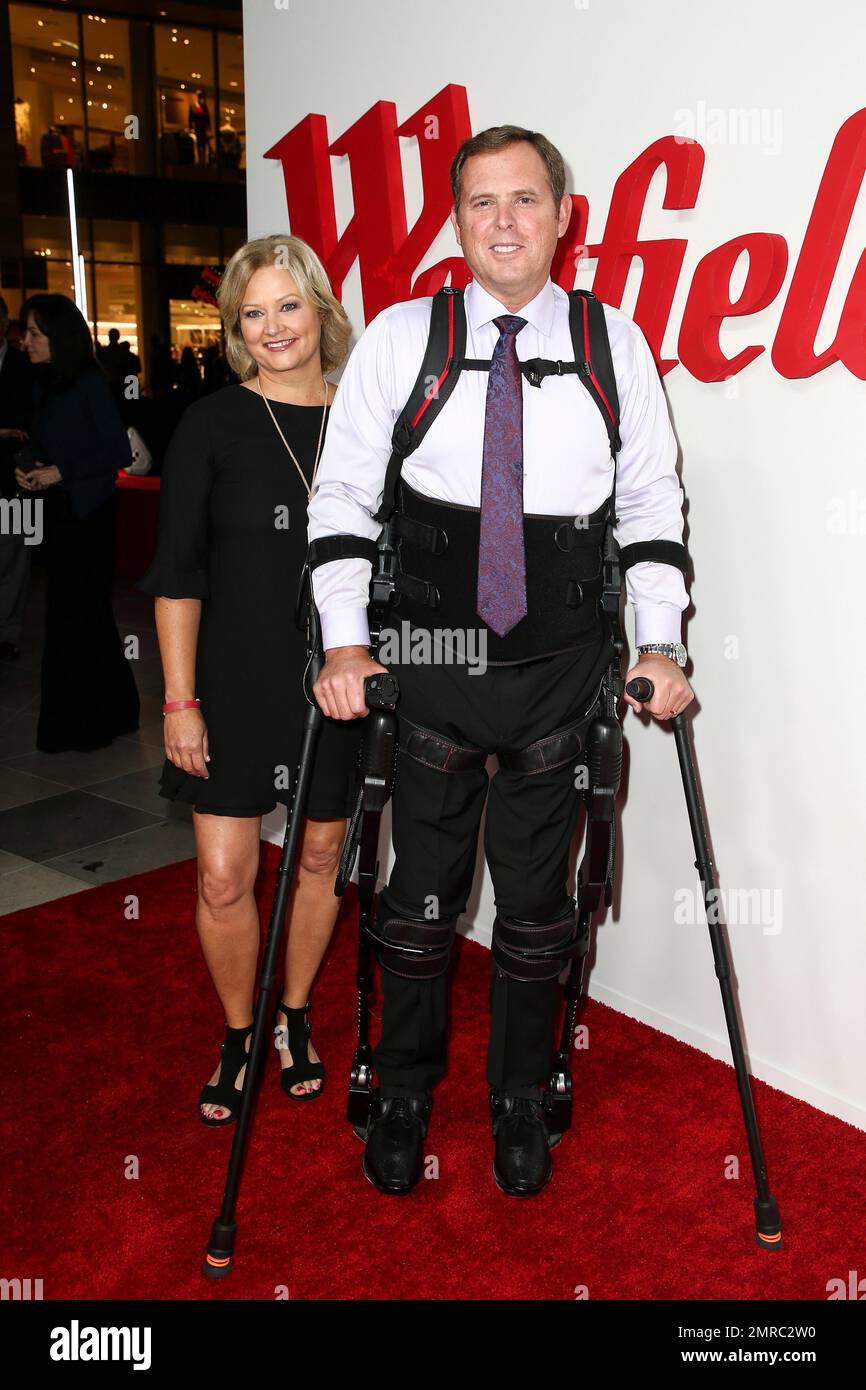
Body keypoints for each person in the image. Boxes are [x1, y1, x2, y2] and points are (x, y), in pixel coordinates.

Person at [307, 125, 695, 1197]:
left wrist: (658, 643)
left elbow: (650, 505)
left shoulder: (613, 343)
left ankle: (522, 1091)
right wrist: (344, 639)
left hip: (561, 667)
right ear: (455, 219)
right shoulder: (400, 336)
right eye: (481, 203)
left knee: (537, 912)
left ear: (564, 215)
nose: (504, 223)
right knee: (416, 903)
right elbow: (341, 497)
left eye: (525, 200)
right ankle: (400, 1085)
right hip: (427, 656)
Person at [139, 234, 363, 1123]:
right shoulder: (214, 424)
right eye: (253, 313)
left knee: (319, 858)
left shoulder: (364, 422)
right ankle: (240, 1031)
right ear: (236, 329)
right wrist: (180, 701)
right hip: (230, 683)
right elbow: (177, 574)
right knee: (225, 878)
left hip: (334, 683)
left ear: (320, 311)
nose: (273, 327)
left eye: (288, 305)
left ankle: (294, 1016)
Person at [14, 293, 139, 752]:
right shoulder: (44, 384)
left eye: (34, 333)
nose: (25, 341)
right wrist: (27, 465)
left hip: (91, 516)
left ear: (58, 336)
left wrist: (62, 470)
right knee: (84, 617)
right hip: (62, 514)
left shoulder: (90, 383)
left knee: (77, 617)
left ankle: (85, 726)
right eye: (25, 333)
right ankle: (117, 709)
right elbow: (40, 442)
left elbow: (116, 451)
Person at [0, 295, 34, 660]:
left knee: (16, 560)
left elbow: (33, 424)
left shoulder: (27, 367)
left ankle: (8, 633)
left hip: (19, 482)